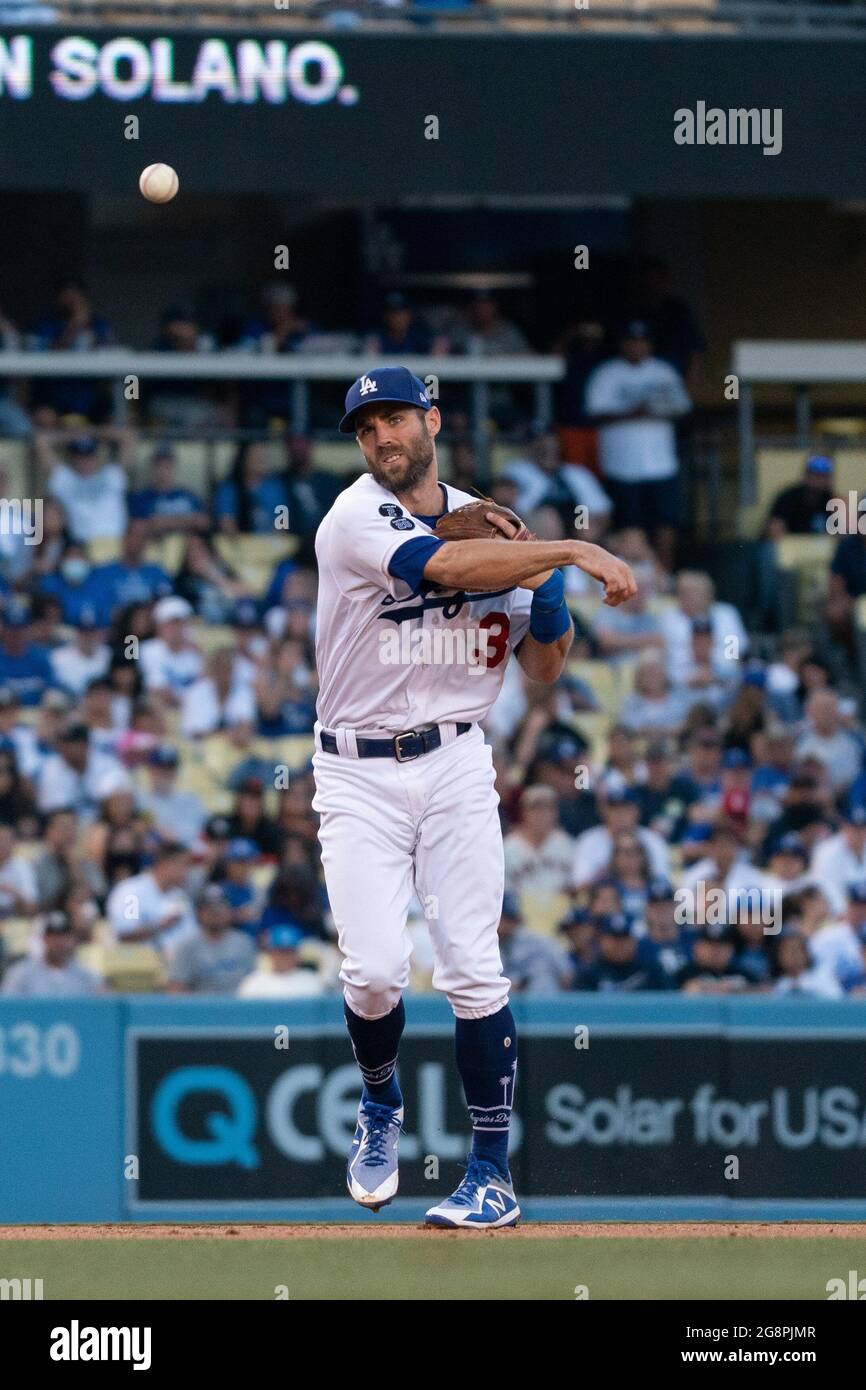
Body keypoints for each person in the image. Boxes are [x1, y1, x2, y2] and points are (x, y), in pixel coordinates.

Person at [315, 364, 635, 1228]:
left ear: (431, 420)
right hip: (357, 768)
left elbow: (540, 668)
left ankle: (490, 1175)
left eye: (393, 420)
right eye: (365, 428)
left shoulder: (498, 527)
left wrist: (550, 592)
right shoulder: (355, 516)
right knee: (376, 970)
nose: (381, 438)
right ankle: (381, 1105)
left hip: (457, 759)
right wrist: (567, 549)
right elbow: (442, 562)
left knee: (471, 967)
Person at [584, 320, 691, 570]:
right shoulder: (607, 372)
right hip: (621, 465)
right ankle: (626, 577)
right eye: (632, 341)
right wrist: (633, 412)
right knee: (628, 525)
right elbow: (594, 412)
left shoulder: (663, 371)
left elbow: (683, 408)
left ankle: (664, 577)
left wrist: (653, 409)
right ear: (623, 344)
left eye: (642, 341)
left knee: (666, 525)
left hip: (661, 464)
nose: (637, 346)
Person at [167, 884, 257, 995]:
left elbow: (254, 985)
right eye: (210, 909)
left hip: (237, 1008)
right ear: (199, 913)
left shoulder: (244, 943)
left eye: (221, 909)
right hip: (200, 1009)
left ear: (230, 911)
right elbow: (176, 990)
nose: (216, 914)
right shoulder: (187, 946)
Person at [1, 910, 103, 997]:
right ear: (44, 938)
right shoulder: (21, 973)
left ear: (73, 939)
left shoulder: (86, 976)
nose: (58, 941)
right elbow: (7, 1009)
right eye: (53, 936)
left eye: (64, 936)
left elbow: (106, 1007)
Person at [237, 922, 328, 999]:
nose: (284, 957)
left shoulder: (311, 981)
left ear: (297, 954)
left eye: (289, 952)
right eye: (280, 951)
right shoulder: (254, 983)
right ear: (270, 953)